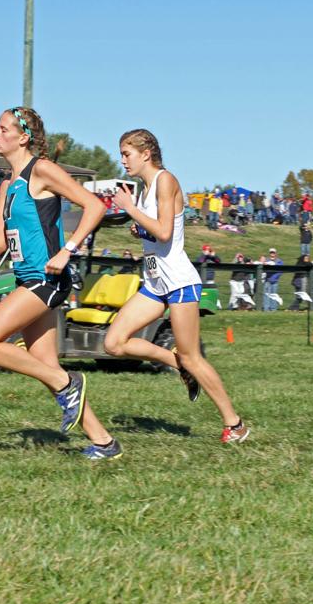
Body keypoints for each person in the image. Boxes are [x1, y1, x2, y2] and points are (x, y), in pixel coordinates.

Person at [0, 106, 121, 460]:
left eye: (2, 128)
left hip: (48, 278)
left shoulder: (42, 170)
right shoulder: (8, 185)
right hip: (27, 279)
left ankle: (68, 384)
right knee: (46, 367)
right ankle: (104, 441)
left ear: (22, 137)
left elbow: (95, 206)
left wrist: (68, 250)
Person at [104, 128, 249, 443]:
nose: (122, 160)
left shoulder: (165, 180)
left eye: (126, 153)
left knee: (193, 357)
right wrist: (137, 227)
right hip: (156, 283)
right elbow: (153, 231)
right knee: (114, 343)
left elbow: (166, 233)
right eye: (121, 154)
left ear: (146, 153)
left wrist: (130, 210)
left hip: (180, 282)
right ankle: (175, 362)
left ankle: (235, 424)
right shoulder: (144, 191)